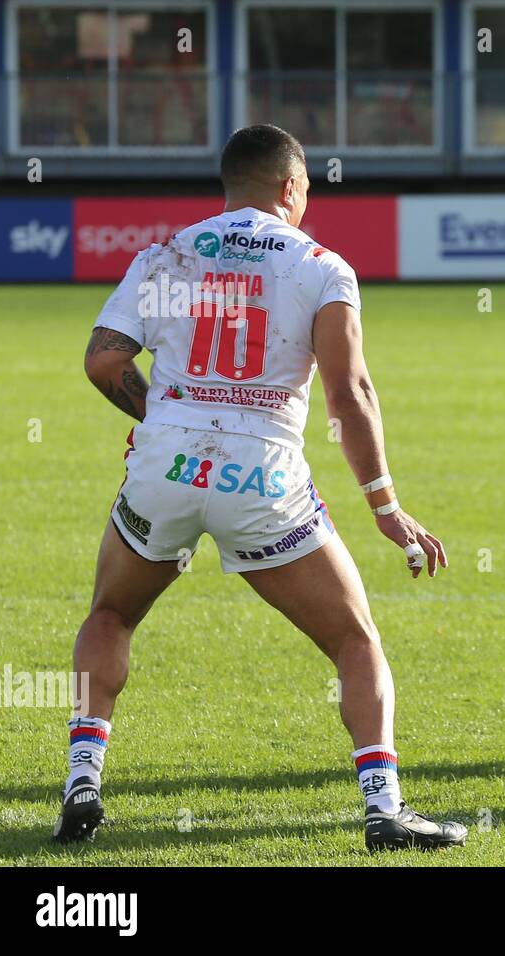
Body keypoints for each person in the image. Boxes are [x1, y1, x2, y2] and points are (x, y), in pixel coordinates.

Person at [56, 124, 466, 852]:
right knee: (352, 638)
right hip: (262, 472)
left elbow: (101, 360)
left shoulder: (165, 252)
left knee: (112, 614)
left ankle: (83, 783)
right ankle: (383, 810)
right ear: (290, 187)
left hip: (168, 464)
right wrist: (386, 506)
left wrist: (161, 418)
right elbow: (351, 393)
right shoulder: (320, 265)